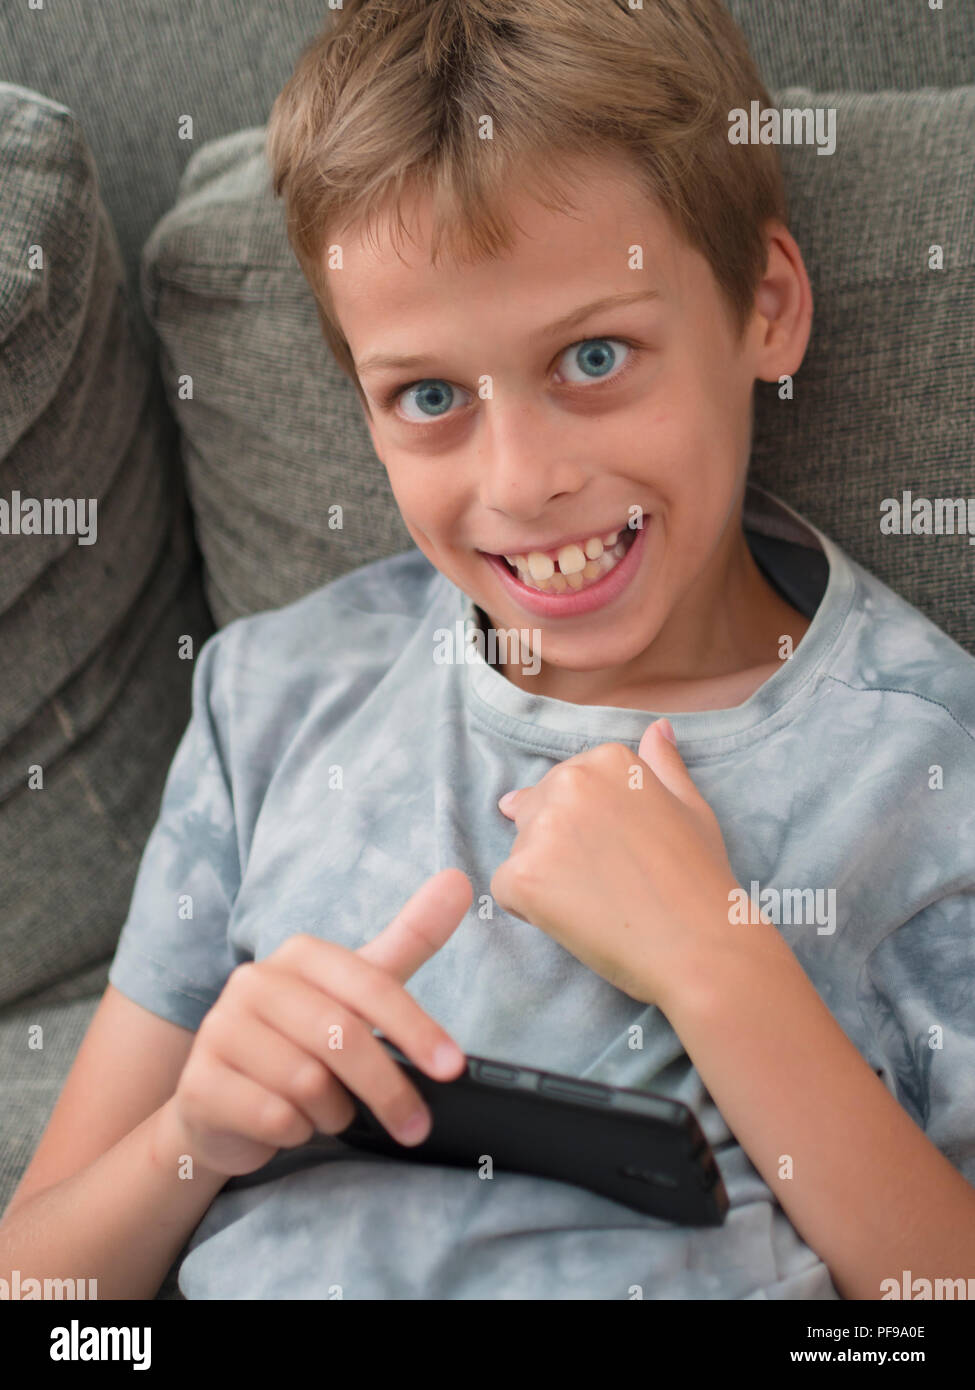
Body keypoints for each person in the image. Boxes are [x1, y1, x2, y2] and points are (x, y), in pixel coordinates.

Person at [3, 0, 974, 1301]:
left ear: (767, 306)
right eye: (431, 397)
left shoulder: (924, 768)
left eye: (593, 354)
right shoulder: (274, 696)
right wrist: (191, 1140)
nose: (520, 483)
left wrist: (720, 961)